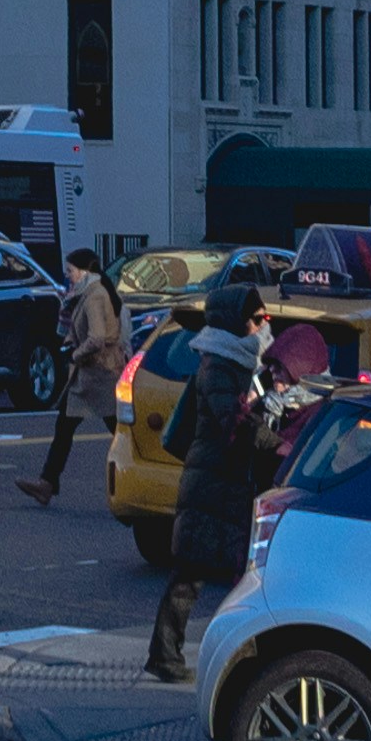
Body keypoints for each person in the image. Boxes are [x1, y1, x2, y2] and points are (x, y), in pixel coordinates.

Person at [145, 280, 274, 682]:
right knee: (196, 575)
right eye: (256, 318)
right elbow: (233, 421)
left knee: (208, 574)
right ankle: (171, 656)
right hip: (212, 481)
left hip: (223, 481)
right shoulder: (220, 365)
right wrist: (278, 442)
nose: (262, 325)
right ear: (235, 322)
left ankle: (170, 655)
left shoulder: (240, 362)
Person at [18, 246, 126, 505]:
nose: (68, 276)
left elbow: (97, 337)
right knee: (67, 426)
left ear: (84, 271)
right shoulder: (89, 293)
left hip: (99, 373)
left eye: (71, 271)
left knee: (117, 429)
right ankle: (47, 482)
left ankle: (48, 482)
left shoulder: (95, 296)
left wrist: (75, 353)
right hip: (92, 375)